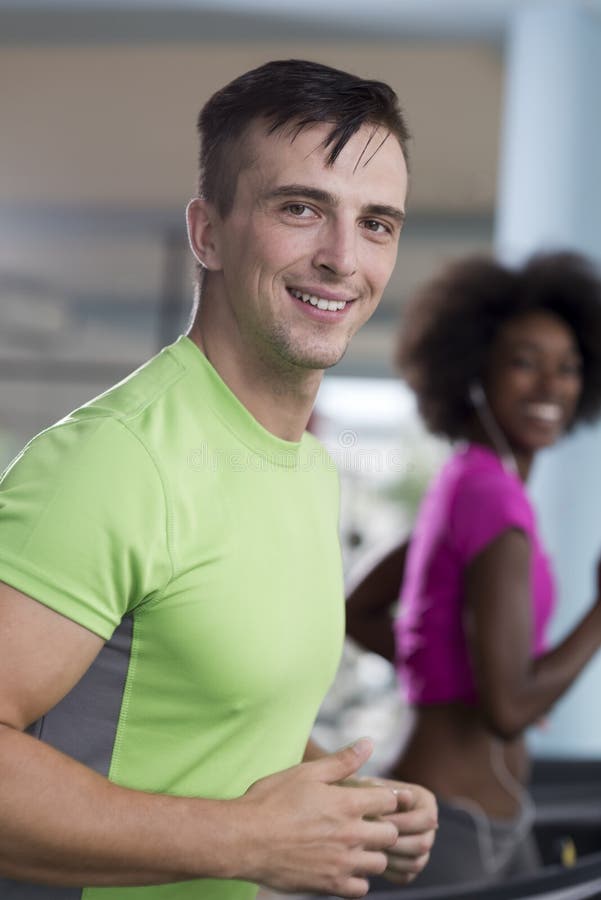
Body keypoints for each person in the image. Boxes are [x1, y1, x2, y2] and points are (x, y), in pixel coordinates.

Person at [0, 59, 437, 900]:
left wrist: (340, 807)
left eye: (376, 222)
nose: (343, 258)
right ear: (207, 232)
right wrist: (245, 841)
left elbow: (210, 718)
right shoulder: (114, 459)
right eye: (301, 208)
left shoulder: (308, 467)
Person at [347, 251, 601, 889]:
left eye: (568, 368)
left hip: (482, 820)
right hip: (449, 832)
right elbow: (509, 709)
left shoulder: (468, 479)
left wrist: (448, 674)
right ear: (475, 370)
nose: (551, 387)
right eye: (525, 362)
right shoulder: (493, 500)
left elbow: (358, 611)